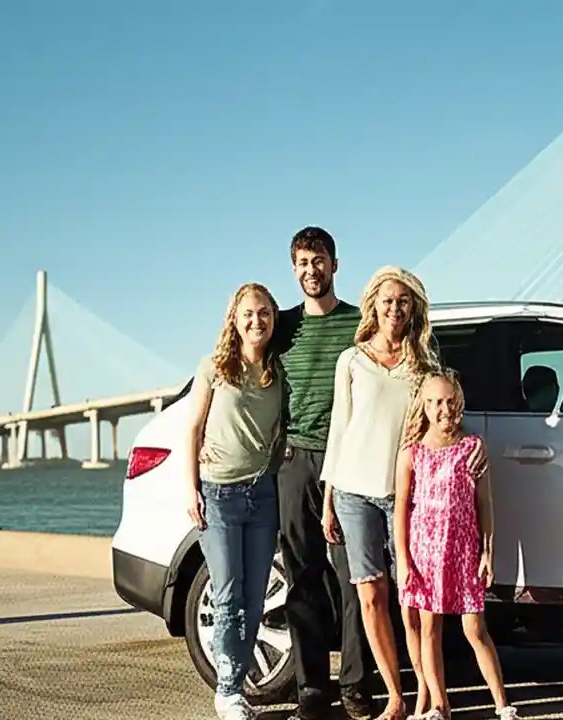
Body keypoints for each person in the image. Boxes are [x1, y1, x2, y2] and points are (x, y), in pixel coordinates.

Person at [321, 265, 448, 720]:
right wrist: (328, 499)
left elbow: (444, 421)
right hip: (354, 492)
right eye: (388, 301)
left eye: (404, 302)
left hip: (406, 496)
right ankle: (394, 696)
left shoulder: (424, 365)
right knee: (369, 596)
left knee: (410, 596)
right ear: (374, 304)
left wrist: (472, 455)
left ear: (414, 309)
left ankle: (426, 696)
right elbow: (340, 430)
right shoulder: (352, 360)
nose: (395, 309)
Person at [273, 227, 377, 720]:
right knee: (302, 577)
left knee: (356, 578)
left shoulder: (360, 324)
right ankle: (313, 687)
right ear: (293, 269)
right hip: (295, 462)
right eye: (301, 263)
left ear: (335, 265)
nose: (310, 271)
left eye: (318, 261)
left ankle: (356, 684)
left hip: (350, 464)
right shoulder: (282, 328)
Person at [187, 282, 288, 720]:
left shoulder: (277, 372)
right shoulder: (214, 367)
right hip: (219, 494)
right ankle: (227, 690)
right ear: (234, 317)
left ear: (273, 319)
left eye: (264, 312)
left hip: (261, 494)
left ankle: (238, 683)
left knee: (254, 599)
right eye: (248, 313)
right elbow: (193, 429)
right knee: (228, 596)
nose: (256, 320)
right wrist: (190, 489)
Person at [394, 370, 518, 720]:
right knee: (429, 628)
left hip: (462, 551)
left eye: (449, 401)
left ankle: (502, 703)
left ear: (459, 402)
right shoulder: (412, 453)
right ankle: (439, 704)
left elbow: (485, 504)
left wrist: (487, 552)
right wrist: (403, 559)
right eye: (434, 402)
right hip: (424, 552)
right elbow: (401, 508)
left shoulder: (472, 447)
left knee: (475, 629)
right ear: (423, 405)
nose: (443, 409)